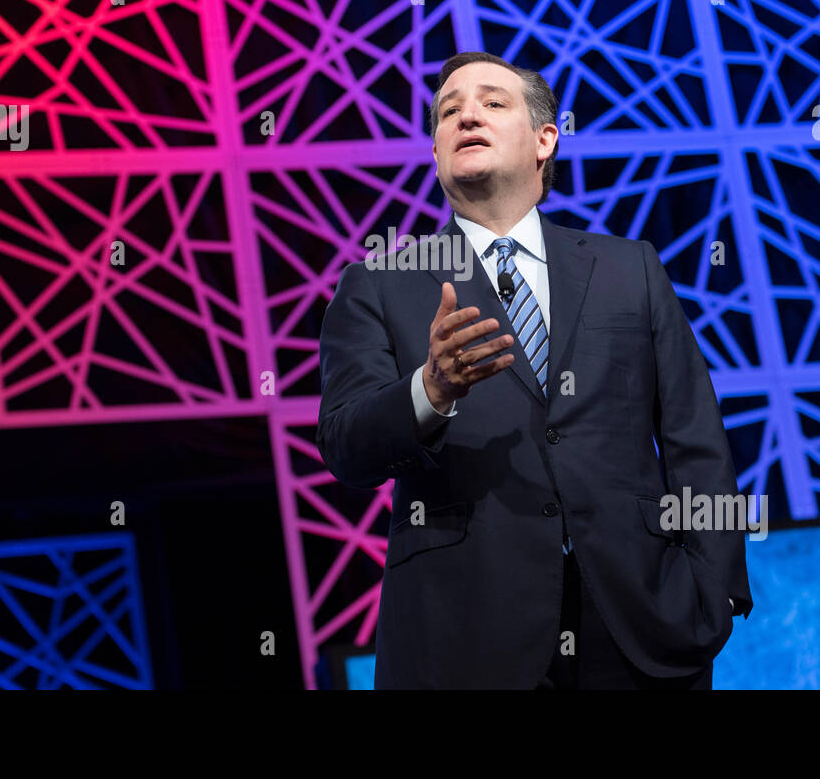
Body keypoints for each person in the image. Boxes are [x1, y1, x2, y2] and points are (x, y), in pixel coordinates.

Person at [316, 50, 752, 689]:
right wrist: (429, 392)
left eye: (493, 103)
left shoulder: (629, 269)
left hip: (640, 624)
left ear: (545, 138)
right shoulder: (379, 284)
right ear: (436, 152)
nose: (467, 116)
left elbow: (696, 440)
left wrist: (715, 593)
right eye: (448, 111)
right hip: (464, 637)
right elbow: (346, 448)